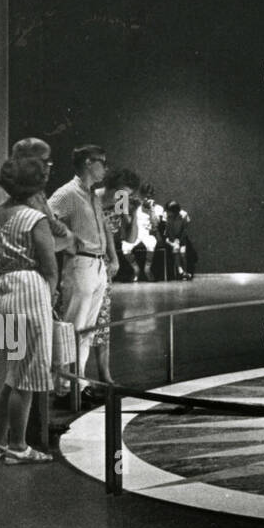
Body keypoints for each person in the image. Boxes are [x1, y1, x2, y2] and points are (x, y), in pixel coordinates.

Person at [0, 158, 59, 464]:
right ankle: (18, 446)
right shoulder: (33, 218)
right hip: (28, 291)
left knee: (13, 373)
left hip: (0, 289)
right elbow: (49, 265)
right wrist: (51, 296)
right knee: (28, 375)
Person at [48, 145, 118, 390]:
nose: (105, 168)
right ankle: (64, 386)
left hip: (97, 266)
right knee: (74, 327)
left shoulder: (91, 195)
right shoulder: (67, 194)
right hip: (81, 265)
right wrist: (67, 242)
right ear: (89, 162)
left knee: (88, 329)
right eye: (102, 162)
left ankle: (78, 384)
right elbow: (45, 221)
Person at [95, 167, 141, 388]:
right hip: (90, 260)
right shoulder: (94, 197)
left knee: (102, 323)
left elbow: (129, 237)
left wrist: (134, 214)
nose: (126, 195)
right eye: (124, 191)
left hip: (105, 267)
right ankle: (78, 382)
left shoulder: (121, 200)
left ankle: (105, 375)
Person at [123, 184, 162, 282]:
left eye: (149, 196)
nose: (147, 198)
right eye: (145, 195)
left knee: (151, 242)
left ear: (153, 196)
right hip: (135, 233)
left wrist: (151, 210)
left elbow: (156, 224)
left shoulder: (158, 208)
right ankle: (136, 270)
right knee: (125, 247)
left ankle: (147, 269)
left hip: (148, 233)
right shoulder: (136, 207)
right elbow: (128, 221)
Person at [162, 202, 194, 280]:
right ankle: (181, 271)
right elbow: (168, 229)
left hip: (181, 238)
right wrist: (173, 241)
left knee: (183, 253)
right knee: (176, 249)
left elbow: (185, 230)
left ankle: (184, 272)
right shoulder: (165, 215)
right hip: (170, 238)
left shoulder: (184, 215)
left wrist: (179, 240)